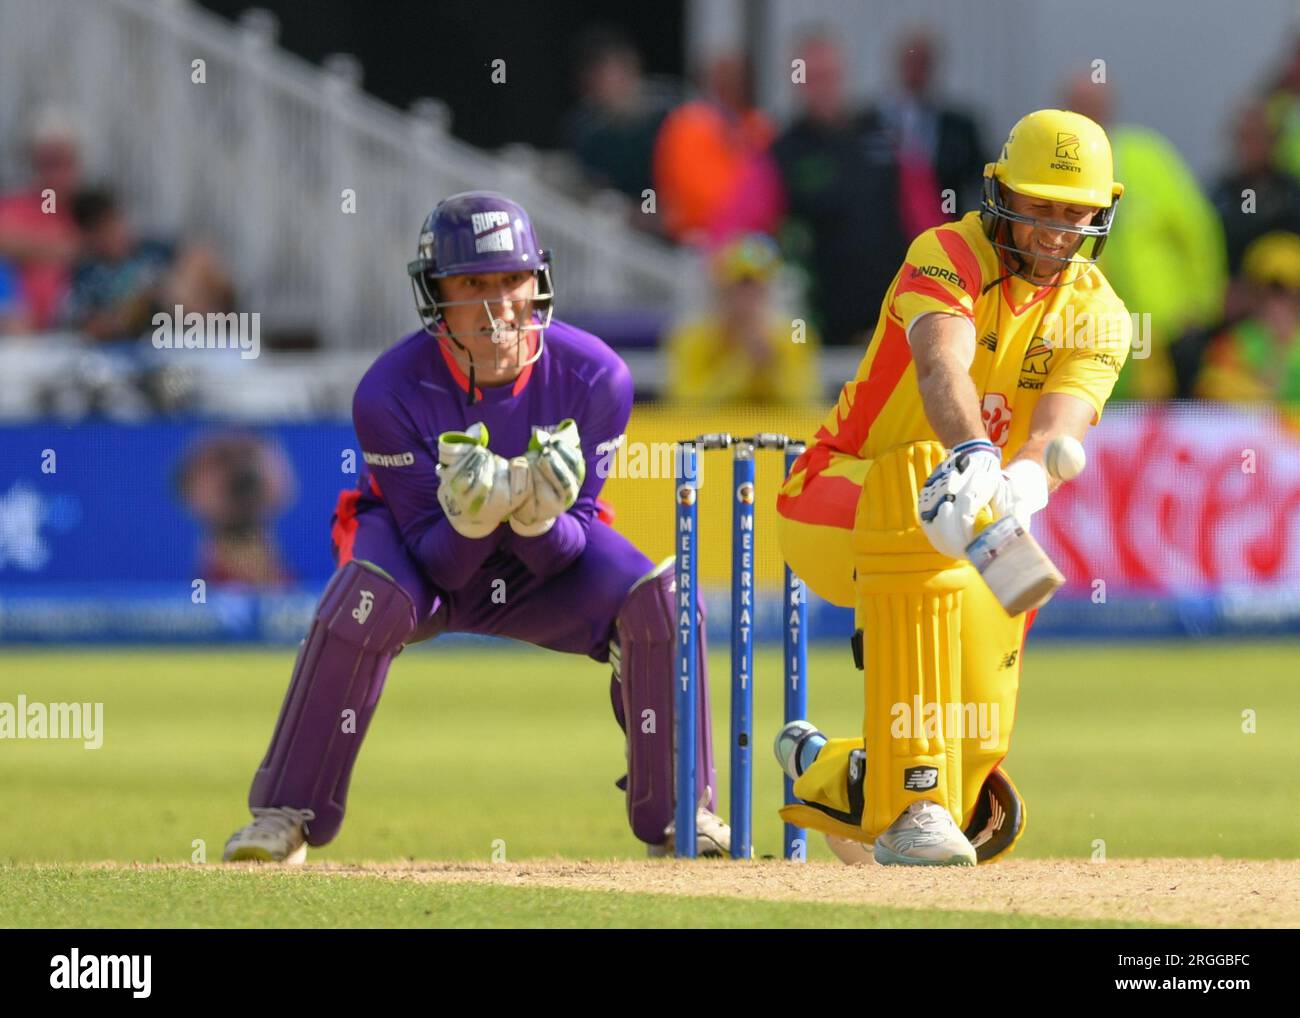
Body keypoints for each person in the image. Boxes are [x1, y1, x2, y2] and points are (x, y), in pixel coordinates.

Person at [222, 191, 727, 863]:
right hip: (423, 554)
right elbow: (441, 564)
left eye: (511, 280)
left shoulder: (596, 376)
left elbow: (568, 546)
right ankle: (283, 815)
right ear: (436, 295)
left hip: (543, 562)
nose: (498, 309)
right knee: (363, 602)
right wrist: (472, 517)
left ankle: (682, 814)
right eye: (472, 285)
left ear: (538, 281)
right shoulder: (388, 391)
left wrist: (537, 516)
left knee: (662, 600)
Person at [773, 110, 1131, 866]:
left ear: (1101, 212)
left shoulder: (1100, 312)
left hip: (969, 519)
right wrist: (971, 452)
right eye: (1038, 207)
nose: (1054, 231)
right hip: (834, 495)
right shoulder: (946, 252)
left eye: (1074, 213)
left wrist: (1024, 481)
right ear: (1001, 193)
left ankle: (845, 775)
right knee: (916, 491)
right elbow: (942, 365)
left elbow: (1055, 430)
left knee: (974, 737)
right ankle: (910, 807)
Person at [1063, 73, 1225, 398]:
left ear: (1108, 108)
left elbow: (1195, 230)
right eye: (1078, 107)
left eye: (1092, 106)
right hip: (1099, 325)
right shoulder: (1061, 171)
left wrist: (1203, 303)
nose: (1087, 115)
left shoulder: (1146, 157)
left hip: (1169, 323)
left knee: (1177, 423)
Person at [772, 31, 907, 347]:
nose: (822, 87)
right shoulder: (783, 151)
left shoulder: (883, 135)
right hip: (822, 326)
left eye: (829, 76)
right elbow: (743, 227)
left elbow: (925, 217)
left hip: (894, 314)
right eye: (812, 77)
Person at [664, 233, 819, 405]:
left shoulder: (791, 338)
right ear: (719, 292)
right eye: (740, 287)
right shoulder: (691, 338)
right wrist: (742, 364)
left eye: (757, 288)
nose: (748, 298)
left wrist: (772, 367)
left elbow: (806, 409)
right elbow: (686, 411)